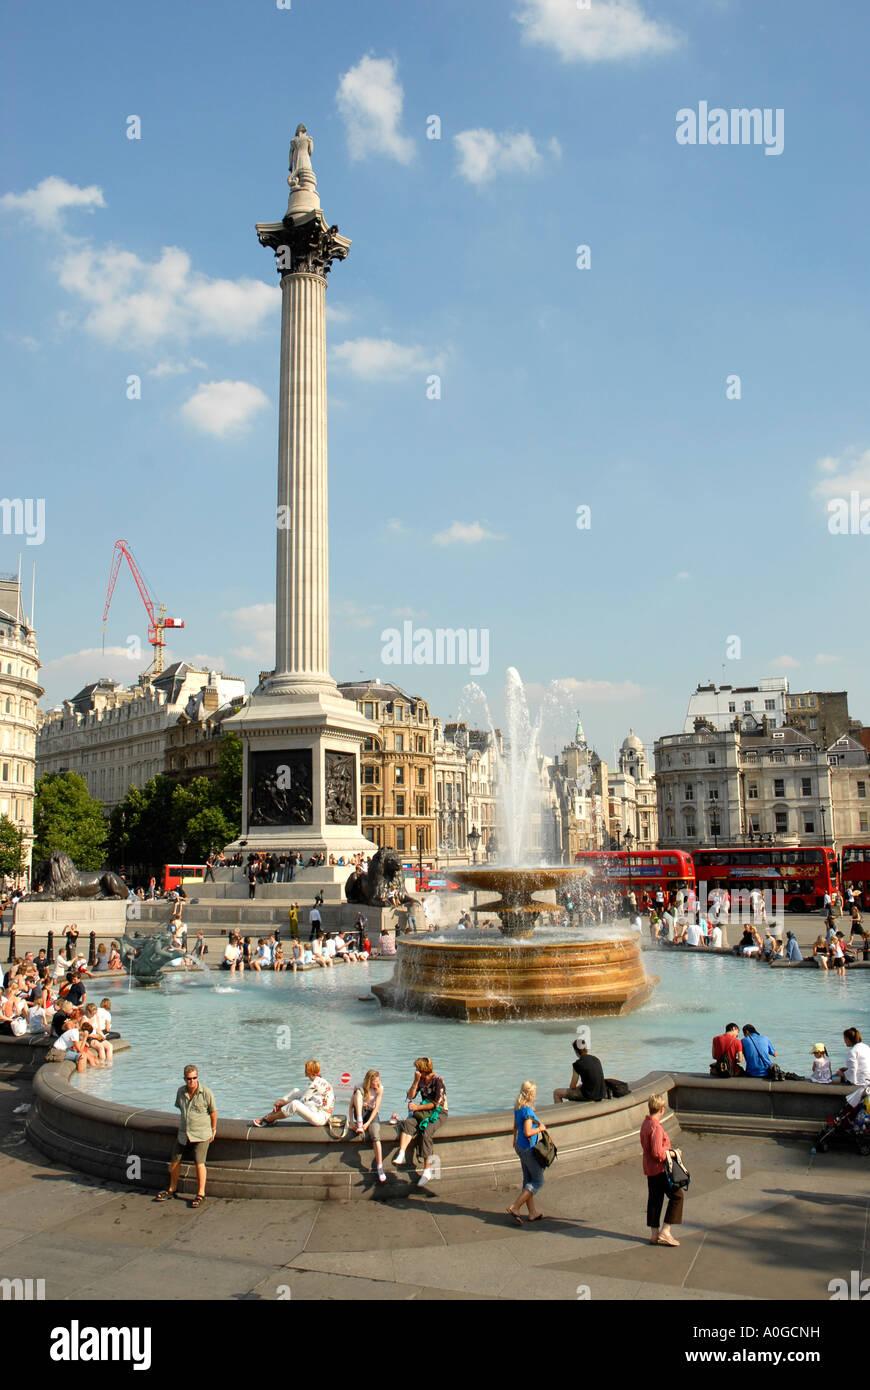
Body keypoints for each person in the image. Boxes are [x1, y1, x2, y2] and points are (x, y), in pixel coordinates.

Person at [156, 1064, 217, 1208]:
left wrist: (213, 1129)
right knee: (175, 1160)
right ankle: (172, 1189)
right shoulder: (180, 1092)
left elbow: (213, 1112)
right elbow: (181, 1108)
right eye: (189, 1079)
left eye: (195, 1078)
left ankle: (201, 1193)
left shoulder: (206, 1092)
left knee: (199, 1163)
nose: (192, 1081)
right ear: (185, 1079)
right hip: (183, 1134)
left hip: (201, 1134)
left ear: (198, 1077)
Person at [392, 1057, 447, 1187]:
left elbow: (436, 1104)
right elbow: (410, 1096)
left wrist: (417, 1108)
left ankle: (427, 1170)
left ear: (423, 1070)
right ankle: (402, 1153)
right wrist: (415, 1081)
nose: (416, 1071)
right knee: (409, 1123)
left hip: (439, 1112)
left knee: (427, 1132)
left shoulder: (438, 1080)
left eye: (417, 1069)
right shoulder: (420, 1080)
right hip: (423, 1112)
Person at [640, 1093, 684, 1246]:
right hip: (661, 1169)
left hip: (649, 1168)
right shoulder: (656, 1127)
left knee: (654, 1199)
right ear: (661, 1109)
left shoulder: (645, 1124)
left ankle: (654, 1234)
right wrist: (674, 1153)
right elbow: (658, 1153)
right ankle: (666, 1231)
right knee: (677, 1196)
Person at [507, 1080, 548, 1224]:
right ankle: (515, 1207)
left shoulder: (518, 1107)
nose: (535, 1095)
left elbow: (515, 1126)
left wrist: (514, 1139)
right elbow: (528, 1131)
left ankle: (532, 1213)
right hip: (528, 1148)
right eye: (534, 1093)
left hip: (520, 1146)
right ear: (530, 1094)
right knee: (538, 1181)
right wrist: (541, 1128)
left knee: (528, 1180)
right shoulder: (528, 1111)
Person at [253, 1059, 335, 1127]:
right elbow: (306, 1097)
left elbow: (301, 1102)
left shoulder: (314, 1085)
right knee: (295, 1091)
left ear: (307, 1071)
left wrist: (282, 1102)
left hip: (321, 1118)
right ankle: (273, 1115)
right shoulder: (321, 1081)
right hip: (317, 1109)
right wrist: (281, 1102)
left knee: (295, 1104)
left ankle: (269, 1119)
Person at [350, 1069, 386, 1182]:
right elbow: (351, 1106)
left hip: (371, 1114)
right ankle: (359, 1121)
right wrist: (351, 1122)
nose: (377, 1083)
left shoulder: (380, 1088)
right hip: (360, 1112)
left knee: (375, 1134)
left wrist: (368, 1123)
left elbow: (376, 1108)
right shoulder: (359, 1086)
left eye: (378, 1080)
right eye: (375, 1081)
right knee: (358, 1093)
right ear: (369, 1081)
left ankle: (380, 1167)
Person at [553, 1038, 607, 1104]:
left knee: (556, 1093)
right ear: (585, 1048)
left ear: (576, 1051)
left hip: (589, 1095)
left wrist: (577, 1087)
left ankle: (560, 1113)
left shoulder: (577, 1064)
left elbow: (572, 1086)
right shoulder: (596, 1059)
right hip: (601, 1093)